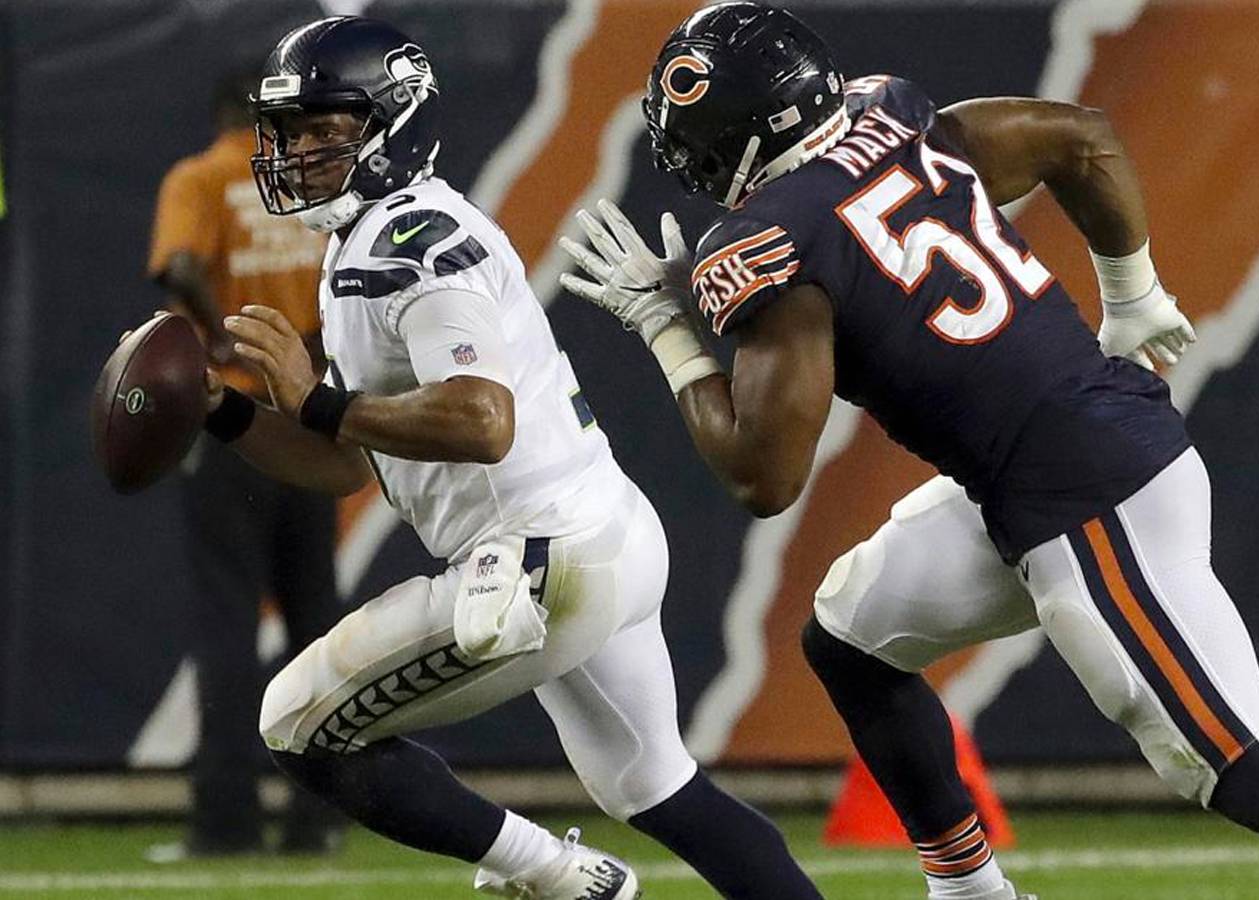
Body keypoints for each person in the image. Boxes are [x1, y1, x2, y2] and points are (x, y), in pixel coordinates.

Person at [563, 4, 1259, 900]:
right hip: (1039, 477)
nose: (678, 146)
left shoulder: (770, 242)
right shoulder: (890, 116)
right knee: (851, 642)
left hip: (1088, 499)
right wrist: (1132, 293)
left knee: (1236, 762)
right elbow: (1080, 138)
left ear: (748, 129)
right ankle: (974, 893)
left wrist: (665, 327)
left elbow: (762, 477)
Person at [207, 15, 820, 899]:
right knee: (659, 788)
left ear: (391, 123)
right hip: (598, 530)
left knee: (297, 724)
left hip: (542, 557)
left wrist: (318, 399)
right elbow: (344, 463)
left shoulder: (405, 242)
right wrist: (224, 412)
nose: (300, 151)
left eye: (324, 129)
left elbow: (481, 420)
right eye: (292, 132)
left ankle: (562, 876)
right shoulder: (373, 234)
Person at [145, 66, 342, 860]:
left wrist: (219, 342)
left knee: (226, 625)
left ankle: (225, 823)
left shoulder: (201, 176)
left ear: (220, 108)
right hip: (307, 422)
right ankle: (320, 817)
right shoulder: (305, 190)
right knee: (316, 629)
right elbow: (339, 292)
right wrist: (312, 364)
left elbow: (178, 266)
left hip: (231, 424)